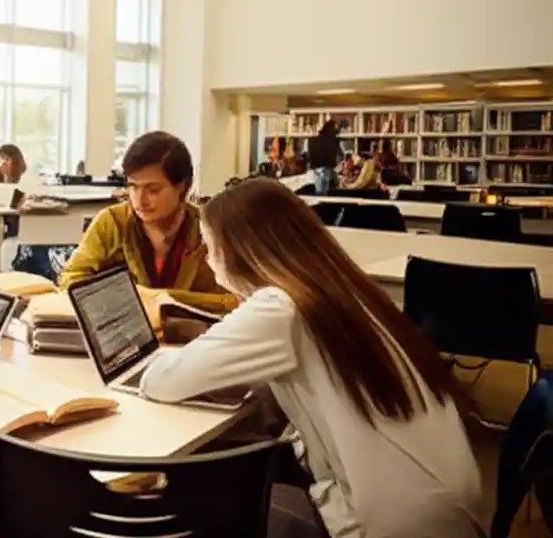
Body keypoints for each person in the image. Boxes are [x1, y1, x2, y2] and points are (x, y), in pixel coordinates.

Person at [139, 178, 484, 538]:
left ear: (242, 249)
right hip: (442, 500)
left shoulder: (281, 307)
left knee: (214, 505)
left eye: (210, 246)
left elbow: (162, 381)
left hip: (393, 520)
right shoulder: (337, 289)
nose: (208, 260)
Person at [60, 131, 236, 317]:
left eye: (153, 190)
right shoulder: (111, 222)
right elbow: (71, 279)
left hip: (193, 336)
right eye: (133, 187)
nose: (139, 200)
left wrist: (161, 297)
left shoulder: (210, 228)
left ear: (183, 186)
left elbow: (235, 297)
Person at [308, 120, 341, 195]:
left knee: (319, 190)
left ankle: (319, 203)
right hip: (327, 166)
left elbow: (310, 154)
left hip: (317, 166)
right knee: (325, 191)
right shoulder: (333, 140)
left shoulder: (314, 140)